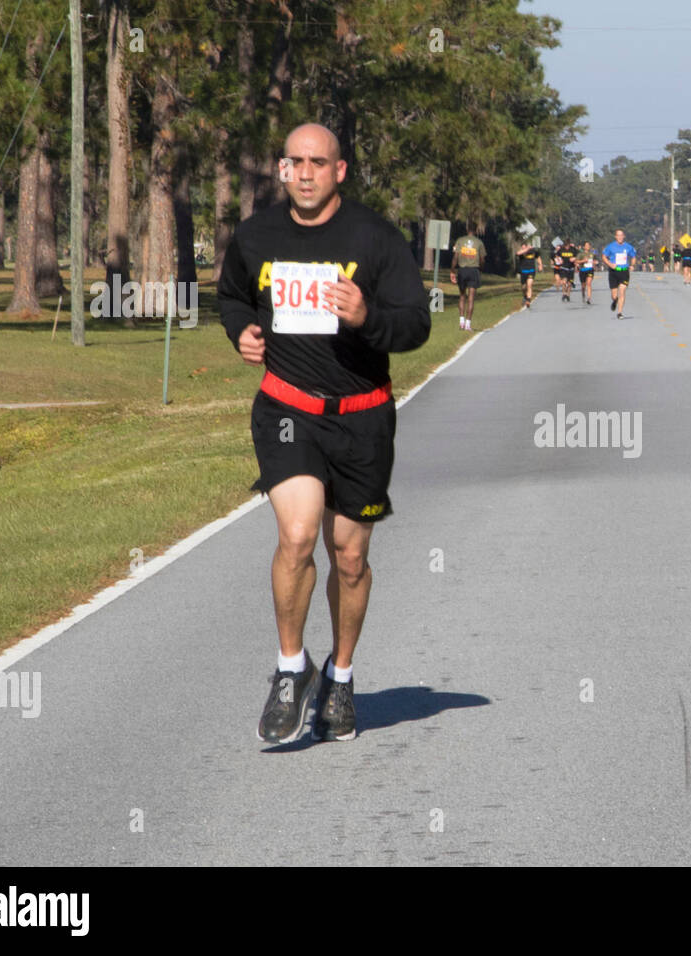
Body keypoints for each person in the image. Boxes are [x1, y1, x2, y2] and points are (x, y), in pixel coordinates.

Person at [218, 123, 431, 744]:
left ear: (340, 171)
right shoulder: (257, 236)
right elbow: (231, 296)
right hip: (287, 408)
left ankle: (339, 676)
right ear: (282, 169)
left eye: (318, 162)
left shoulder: (374, 238)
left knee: (351, 556)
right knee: (298, 532)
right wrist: (242, 332)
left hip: (363, 414)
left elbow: (415, 324)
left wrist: (367, 318)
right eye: (294, 162)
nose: (305, 173)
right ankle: (290, 670)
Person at [450, 226, 485, 331]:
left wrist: (452, 270)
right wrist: (481, 269)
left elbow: (455, 257)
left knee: (462, 296)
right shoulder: (479, 243)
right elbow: (482, 259)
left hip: (462, 270)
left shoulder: (460, 241)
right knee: (471, 298)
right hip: (474, 270)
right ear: (475, 230)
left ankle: (461, 321)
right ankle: (468, 324)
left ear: (467, 230)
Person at [600, 228, 636, 319]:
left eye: (621, 235)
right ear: (615, 237)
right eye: (618, 235)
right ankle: (615, 300)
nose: (620, 237)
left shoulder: (628, 247)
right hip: (613, 272)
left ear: (624, 236)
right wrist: (610, 264)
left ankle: (619, 312)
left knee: (622, 292)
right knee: (614, 295)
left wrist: (632, 265)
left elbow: (633, 257)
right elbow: (604, 257)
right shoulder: (610, 246)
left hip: (624, 271)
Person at [516, 241, 542, 310]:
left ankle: (528, 300)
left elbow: (538, 257)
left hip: (531, 271)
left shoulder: (533, 251)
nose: (524, 249)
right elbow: (518, 253)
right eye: (523, 247)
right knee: (523, 287)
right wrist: (526, 249)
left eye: (525, 247)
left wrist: (540, 265)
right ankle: (525, 296)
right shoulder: (521, 253)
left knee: (529, 285)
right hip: (523, 272)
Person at [577, 241, 596, 305]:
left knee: (589, 283)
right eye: (586, 245)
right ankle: (583, 295)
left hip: (590, 270)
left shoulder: (592, 254)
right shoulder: (581, 254)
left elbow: (595, 261)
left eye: (589, 245)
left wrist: (595, 263)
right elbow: (577, 262)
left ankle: (589, 298)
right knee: (583, 285)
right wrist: (583, 261)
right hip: (582, 270)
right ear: (584, 247)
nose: (588, 247)